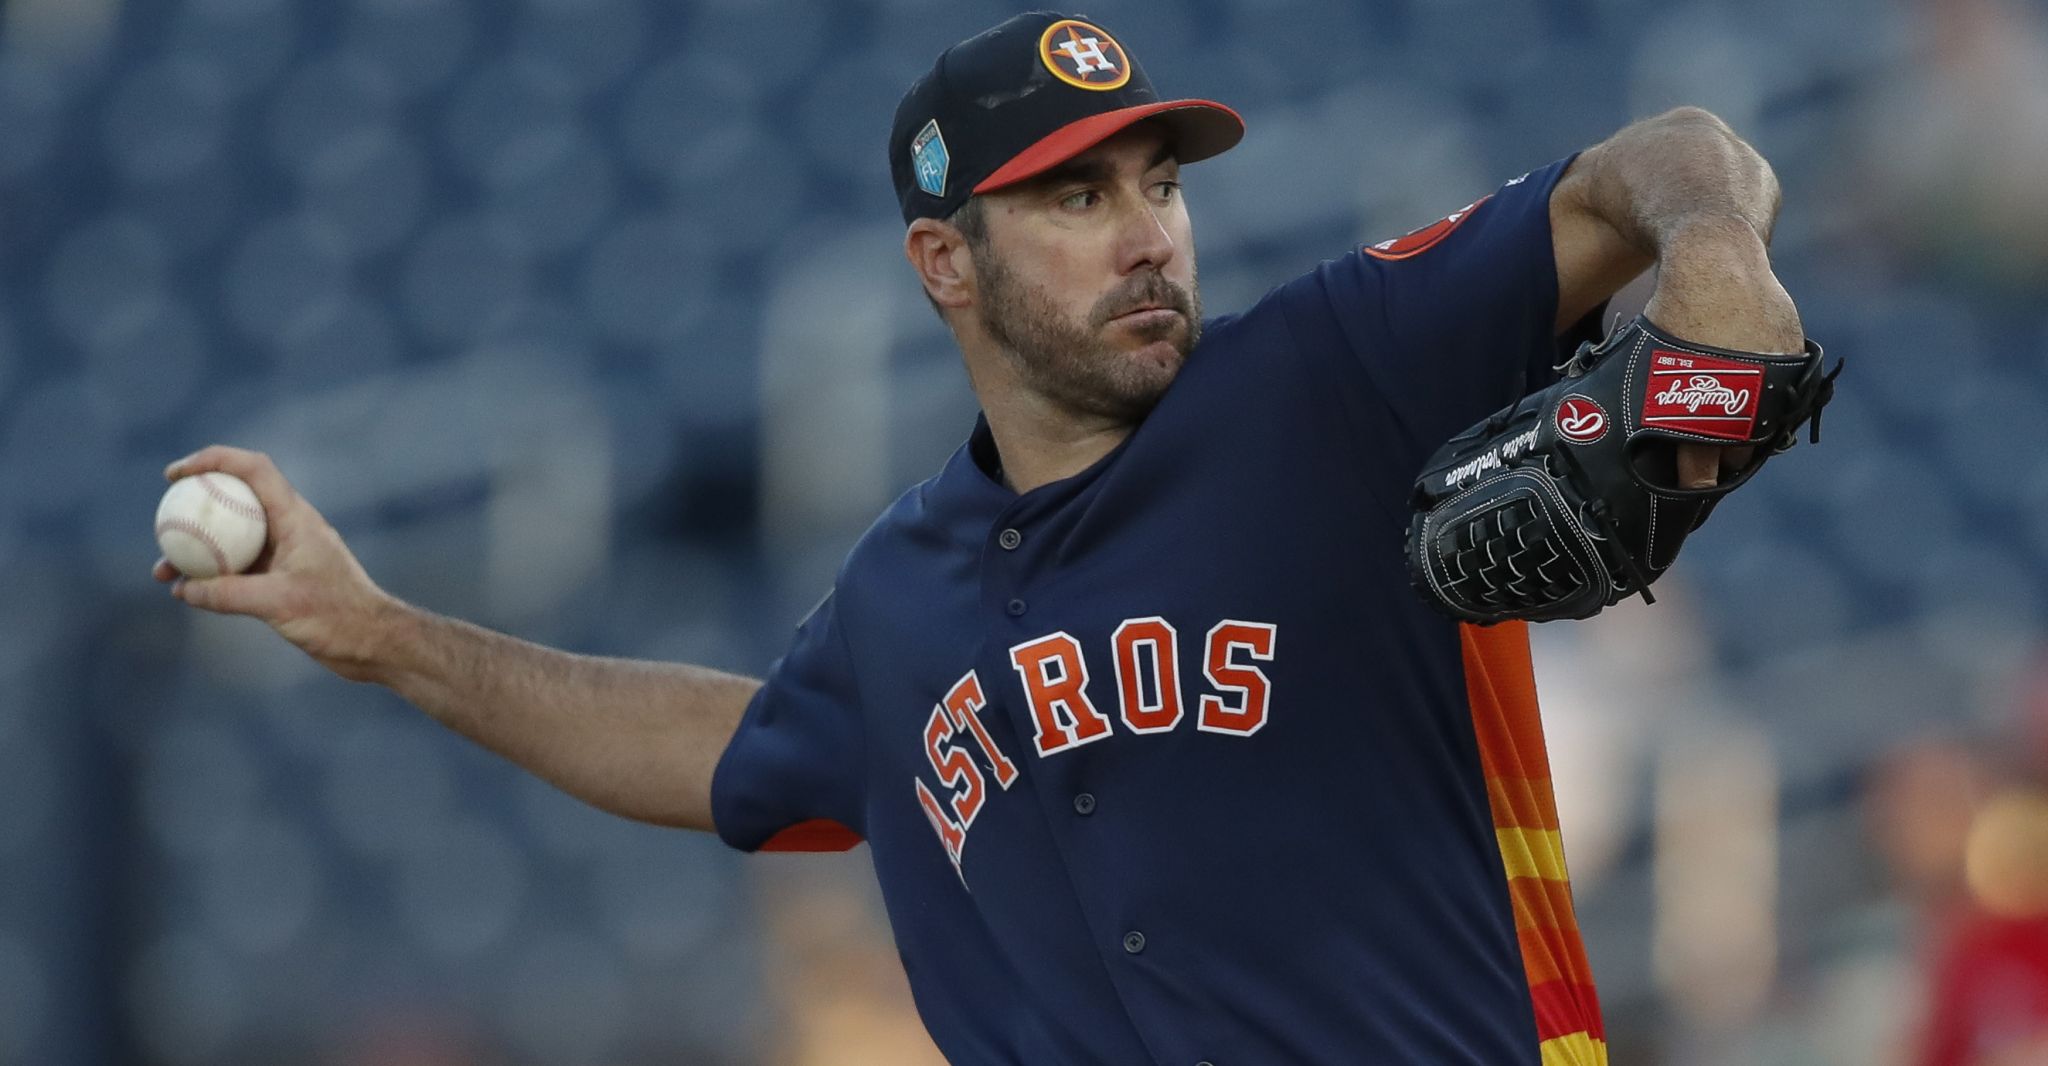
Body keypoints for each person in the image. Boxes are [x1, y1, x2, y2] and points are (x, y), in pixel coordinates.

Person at [157, 11, 1807, 1064]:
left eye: (1158, 183)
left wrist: (1717, 259)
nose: (1148, 234)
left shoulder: (1331, 374)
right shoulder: (901, 594)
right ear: (945, 266)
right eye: (1077, 200)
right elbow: (726, 750)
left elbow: (1668, 160)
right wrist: (376, 628)